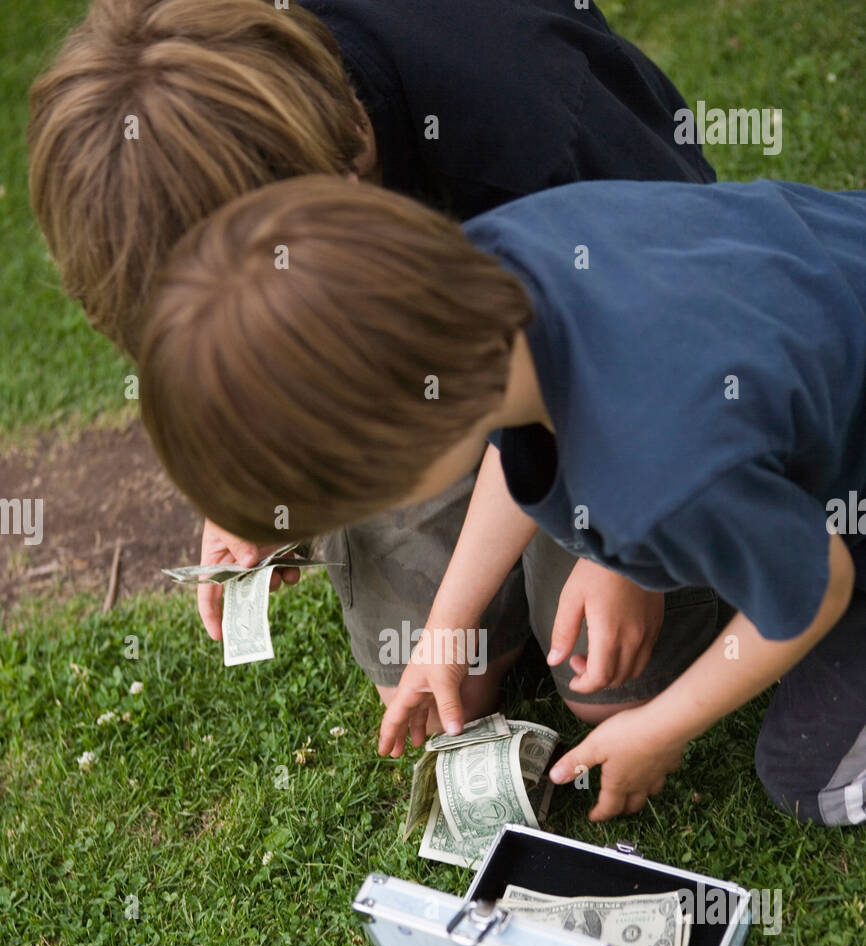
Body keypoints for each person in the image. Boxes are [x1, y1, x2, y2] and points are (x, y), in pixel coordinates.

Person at [28, 0, 721, 726]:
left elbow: (676, 323)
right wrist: (253, 480)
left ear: (348, 187)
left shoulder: (542, 129)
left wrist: (623, 552)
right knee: (428, 683)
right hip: (466, 355)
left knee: (606, 691)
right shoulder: (241, 139)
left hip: (618, 374)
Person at [138, 174, 866, 824]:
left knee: (812, 783)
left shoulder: (659, 474)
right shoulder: (497, 258)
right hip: (826, 270)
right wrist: (448, 627)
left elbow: (812, 588)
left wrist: (661, 728)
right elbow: (515, 445)